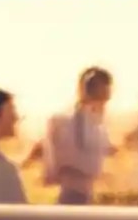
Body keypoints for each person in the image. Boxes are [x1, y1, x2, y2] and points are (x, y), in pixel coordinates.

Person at [41, 67, 115, 205]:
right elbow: (59, 169)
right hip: (73, 196)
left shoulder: (94, 123)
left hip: (82, 195)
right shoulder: (66, 122)